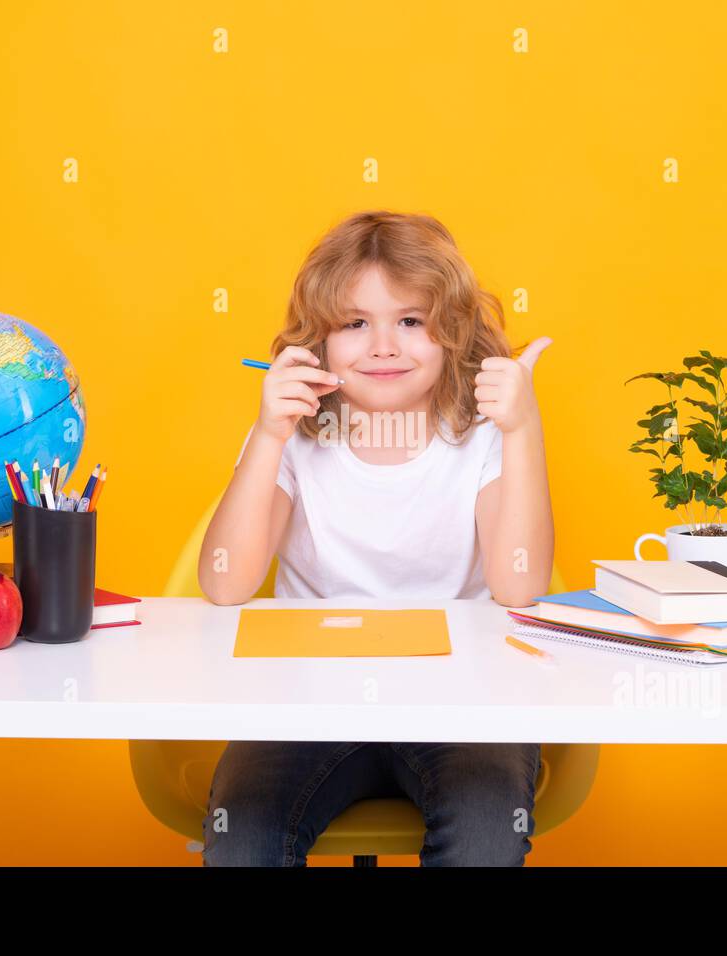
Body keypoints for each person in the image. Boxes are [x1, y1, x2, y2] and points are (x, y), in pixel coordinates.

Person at [198, 209, 554, 865]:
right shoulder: (297, 432)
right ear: (318, 343)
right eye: (355, 324)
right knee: (241, 838)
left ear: (452, 333)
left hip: (464, 703)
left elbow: (520, 583)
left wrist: (523, 430)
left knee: (484, 838)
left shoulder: (481, 436)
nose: (383, 347)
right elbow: (225, 582)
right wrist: (270, 435)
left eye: (411, 322)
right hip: (308, 697)